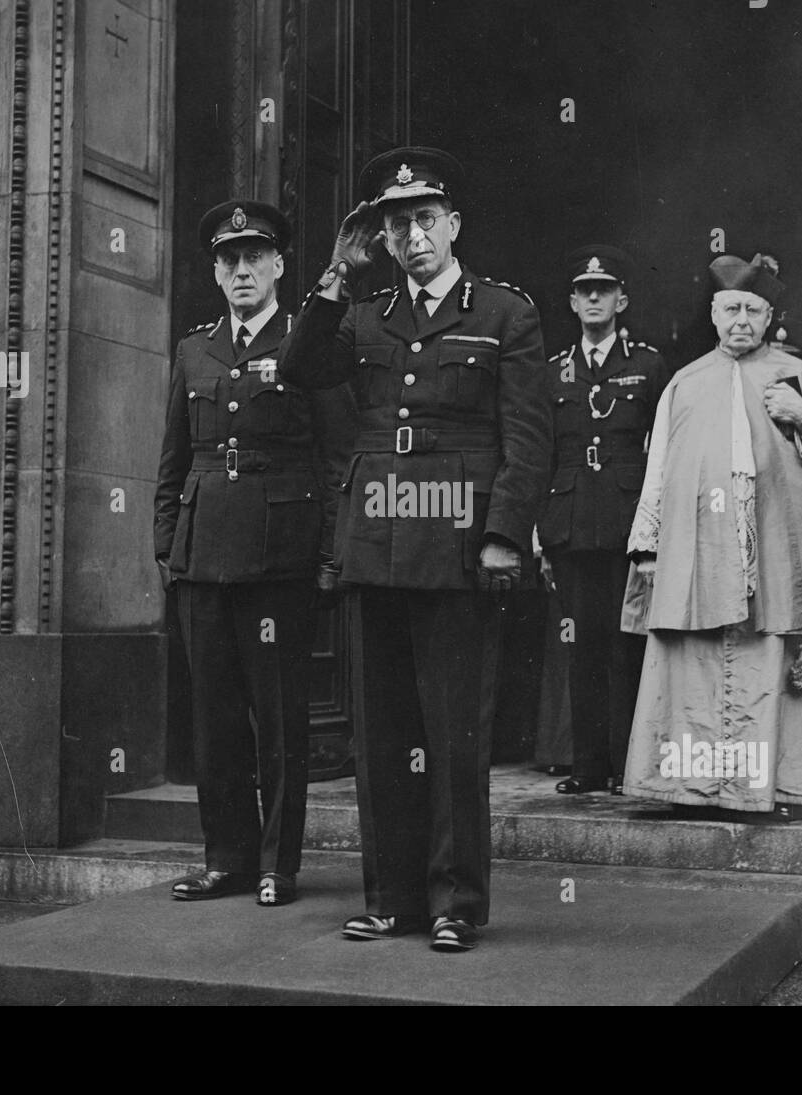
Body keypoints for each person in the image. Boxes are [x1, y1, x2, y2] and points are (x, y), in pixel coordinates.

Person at [279, 147, 550, 951]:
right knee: (382, 731)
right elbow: (299, 368)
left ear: (454, 223)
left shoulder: (505, 313)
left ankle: (454, 902)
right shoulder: (363, 313)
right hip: (376, 541)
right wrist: (334, 276)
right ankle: (391, 896)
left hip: (460, 545)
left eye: (425, 218)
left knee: (455, 732)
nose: (412, 234)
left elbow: (529, 440)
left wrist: (504, 535)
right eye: (397, 223)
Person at [154, 200, 349, 907]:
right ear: (215, 270)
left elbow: (335, 457)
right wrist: (166, 548)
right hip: (202, 559)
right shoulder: (193, 349)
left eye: (254, 257)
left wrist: (328, 555)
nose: (241, 270)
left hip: (279, 558)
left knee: (279, 719)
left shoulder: (307, 342)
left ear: (277, 265)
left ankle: (276, 863)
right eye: (229, 259)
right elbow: (173, 460)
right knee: (215, 719)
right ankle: (227, 858)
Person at [619, 253, 802, 818]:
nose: (741, 321)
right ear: (713, 312)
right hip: (700, 550)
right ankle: (695, 791)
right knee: (695, 661)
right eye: (731, 309)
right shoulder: (683, 384)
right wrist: (649, 550)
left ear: (769, 313)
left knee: (770, 659)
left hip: (778, 546)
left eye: (753, 309)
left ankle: (776, 789)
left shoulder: (799, 376)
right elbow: (657, 473)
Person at [539, 246, 669, 795]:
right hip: (570, 524)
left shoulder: (648, 365)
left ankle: (626, 765)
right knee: (580, 644)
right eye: (584, 290)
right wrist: (540, 536)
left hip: (626, 525)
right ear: (572, 301)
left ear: (622, 299)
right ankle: (587, 766)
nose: (594, 298)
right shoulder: (551, 372)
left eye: (605, 289)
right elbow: (541, 452)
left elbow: (665, 449)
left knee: (627, 645)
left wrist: (656, 533)